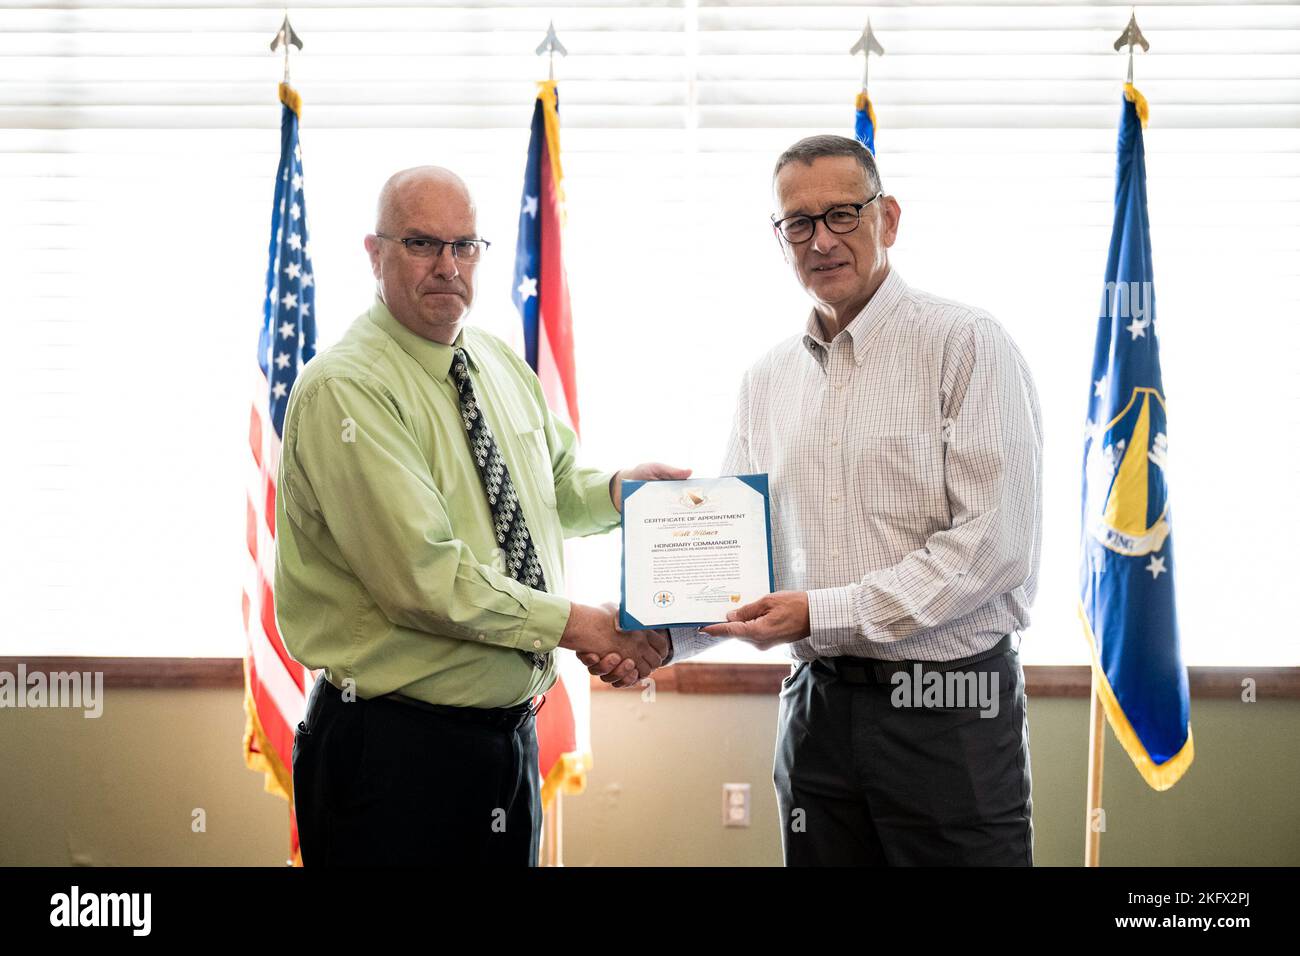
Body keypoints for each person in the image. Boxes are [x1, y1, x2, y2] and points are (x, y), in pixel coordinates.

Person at [595, 135, 1043, 865]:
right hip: (818, 709)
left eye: (842, 214)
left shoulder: (967, 344)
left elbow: (994, 547)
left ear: (887, 219)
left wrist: (821, 611)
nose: (821, 239)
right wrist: (659, 639)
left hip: (948, 709)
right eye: (798, 223)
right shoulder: (765, 380)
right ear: (780, 239)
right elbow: (741, 566)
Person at [276, 165, 685, 866]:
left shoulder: (493, 358)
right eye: (422, 244)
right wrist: (586, 624)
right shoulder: (348, 391)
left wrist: (621, 491)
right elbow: (425, 580)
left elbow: (552, 488)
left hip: (504, 748)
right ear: (374, 254)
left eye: (465, 246)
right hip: (392, 757)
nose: (448, 266)